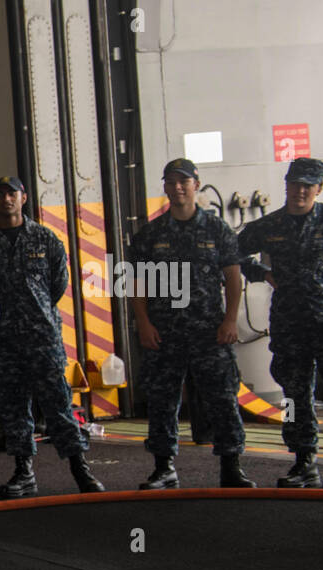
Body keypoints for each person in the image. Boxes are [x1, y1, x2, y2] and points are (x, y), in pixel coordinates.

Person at [0, 176, 105, 497]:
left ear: (24, 198)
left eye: (12, 193)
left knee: (58, 405)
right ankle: (24, 473)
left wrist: (34, 314)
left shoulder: (46, 239)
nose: (6, 199)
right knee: (14, 410)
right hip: (3, 343)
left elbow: (57, 286)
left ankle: (80, 471)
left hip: (42, 340)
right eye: (0, 194)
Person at [131, 159, 253, 489]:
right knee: (162, 400)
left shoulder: (218, 230)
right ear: (166, 187)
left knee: (223, 397)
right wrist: (143, 323)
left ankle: (231, 466)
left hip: (209, 331)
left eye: (184, 181)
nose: (178, 187)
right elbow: (137, 283)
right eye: (171, 181)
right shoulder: (151, 234)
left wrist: (230, 320)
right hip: (164, 331)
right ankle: (163, 467)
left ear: (196, 184)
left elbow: (233, 278)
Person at [237, 157, 323, 487]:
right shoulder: (270, 225)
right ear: (286, 185)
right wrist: (262, 273)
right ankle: (303, 460)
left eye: (308, 185)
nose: (300, 190)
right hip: (289, 323)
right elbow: (233, 252)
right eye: (295, 184)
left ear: (319, 188)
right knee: (293, 398)